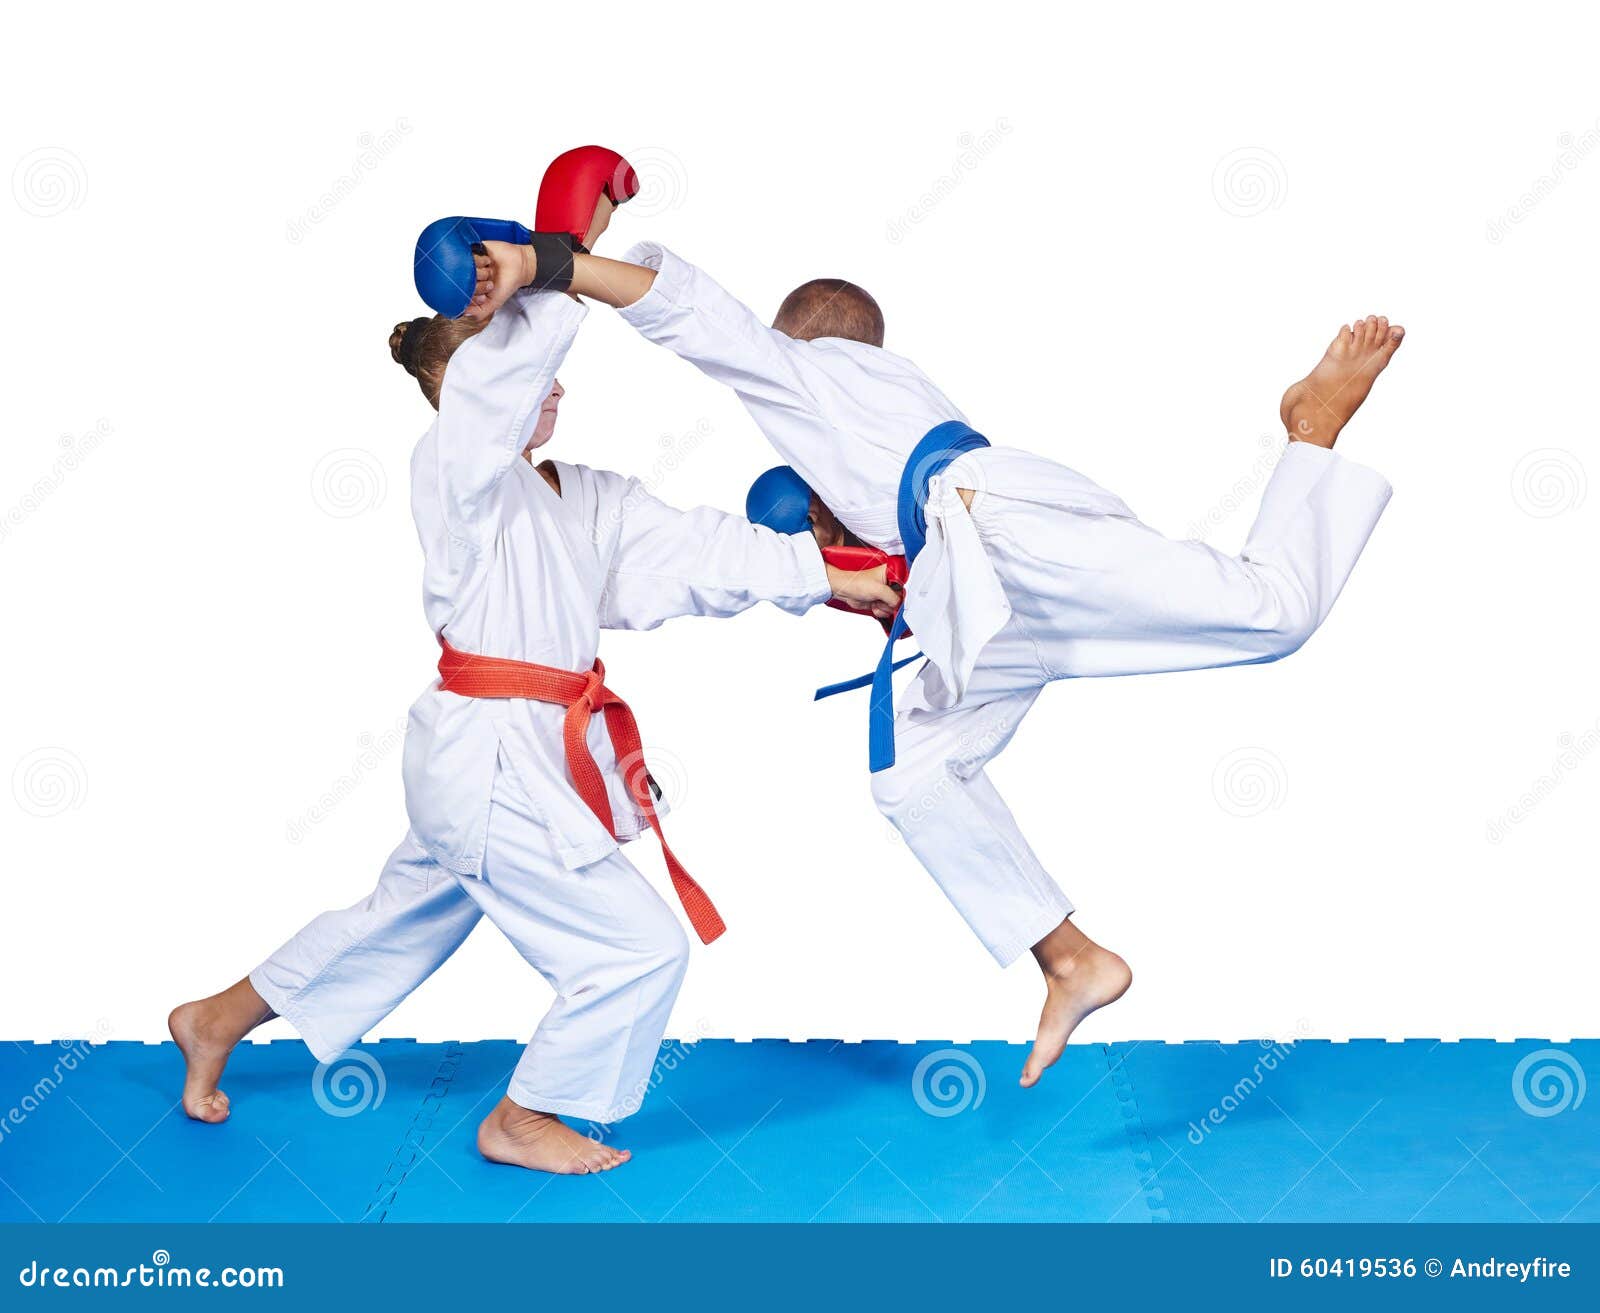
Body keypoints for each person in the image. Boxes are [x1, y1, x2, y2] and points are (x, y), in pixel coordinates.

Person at [463, 239, 1400, 1088]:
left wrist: (552, 263)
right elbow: (889, 530)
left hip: (1005, 538)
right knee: (914, 772)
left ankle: (1309, 429)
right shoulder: (886, 399)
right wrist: (852, 553)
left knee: (1270, 612)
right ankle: (1069, 958)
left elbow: (698, 318)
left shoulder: (808, 374)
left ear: (807, 339)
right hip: (981, 581)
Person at [169, 279, 899, 1176]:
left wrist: (826, 573)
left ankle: (214, 1019)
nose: (556, 384)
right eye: (532, 364)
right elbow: (499, 394)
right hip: (493, 761)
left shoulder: (582, 497)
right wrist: (557, 270)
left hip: (495, 760)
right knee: (636, 949)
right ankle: (524, 1116)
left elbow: (698, 551)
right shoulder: (454, 470)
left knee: (398, 918)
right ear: (473, 383)